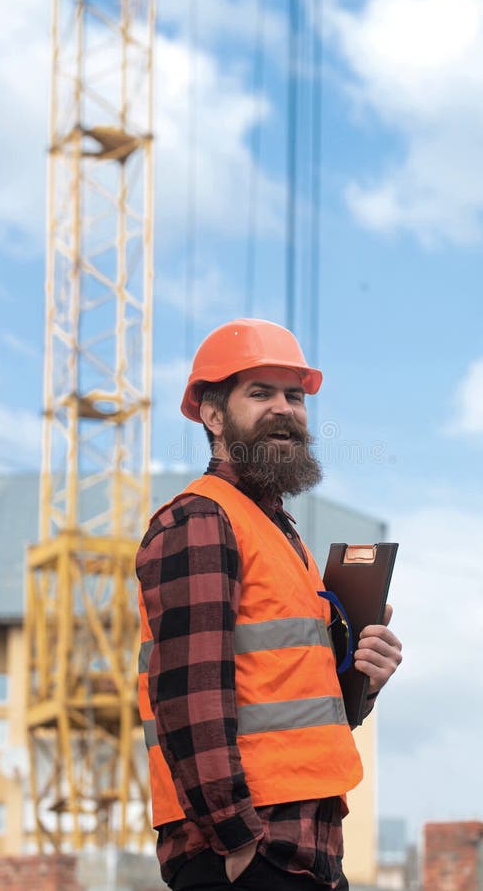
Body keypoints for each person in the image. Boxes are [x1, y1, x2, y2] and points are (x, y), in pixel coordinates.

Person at [137, 318, 402, 891]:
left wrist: (365, 680)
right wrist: (236, 842)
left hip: (304, 853)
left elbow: (303, 712)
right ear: (212, 415)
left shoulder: (282, 535)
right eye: (260, 393)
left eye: (295, 396)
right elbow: (189, 694)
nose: (284, 408)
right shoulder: (201, 520)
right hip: (247, 855)